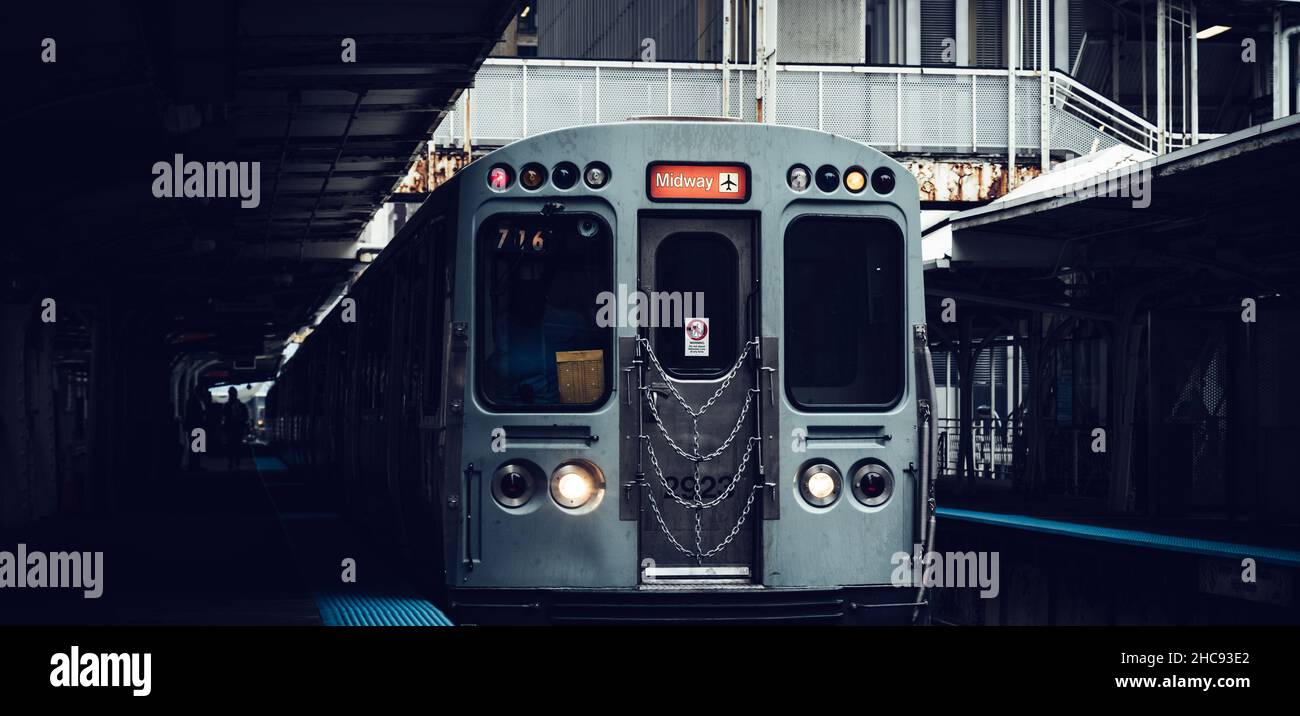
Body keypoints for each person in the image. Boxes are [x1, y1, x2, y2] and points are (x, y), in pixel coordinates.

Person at [222, 386, 249, 469]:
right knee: (235, 445)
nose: (232, 395)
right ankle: (234, 461)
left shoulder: (227, 405)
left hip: (234, 428)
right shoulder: (241, 405)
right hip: (236, 428)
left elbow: (224, 416)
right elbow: (246, 416)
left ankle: (234, 461)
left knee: (233, 445)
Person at [183, 385, 209, 471]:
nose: (204, 392)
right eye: (203, 390)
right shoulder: (194, 401)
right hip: (195, 426)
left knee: (197, 447)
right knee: (195, 447)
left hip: (198, 426)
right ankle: (194, 465)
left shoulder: (197, 400)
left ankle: (196, 465)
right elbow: (193, 414)